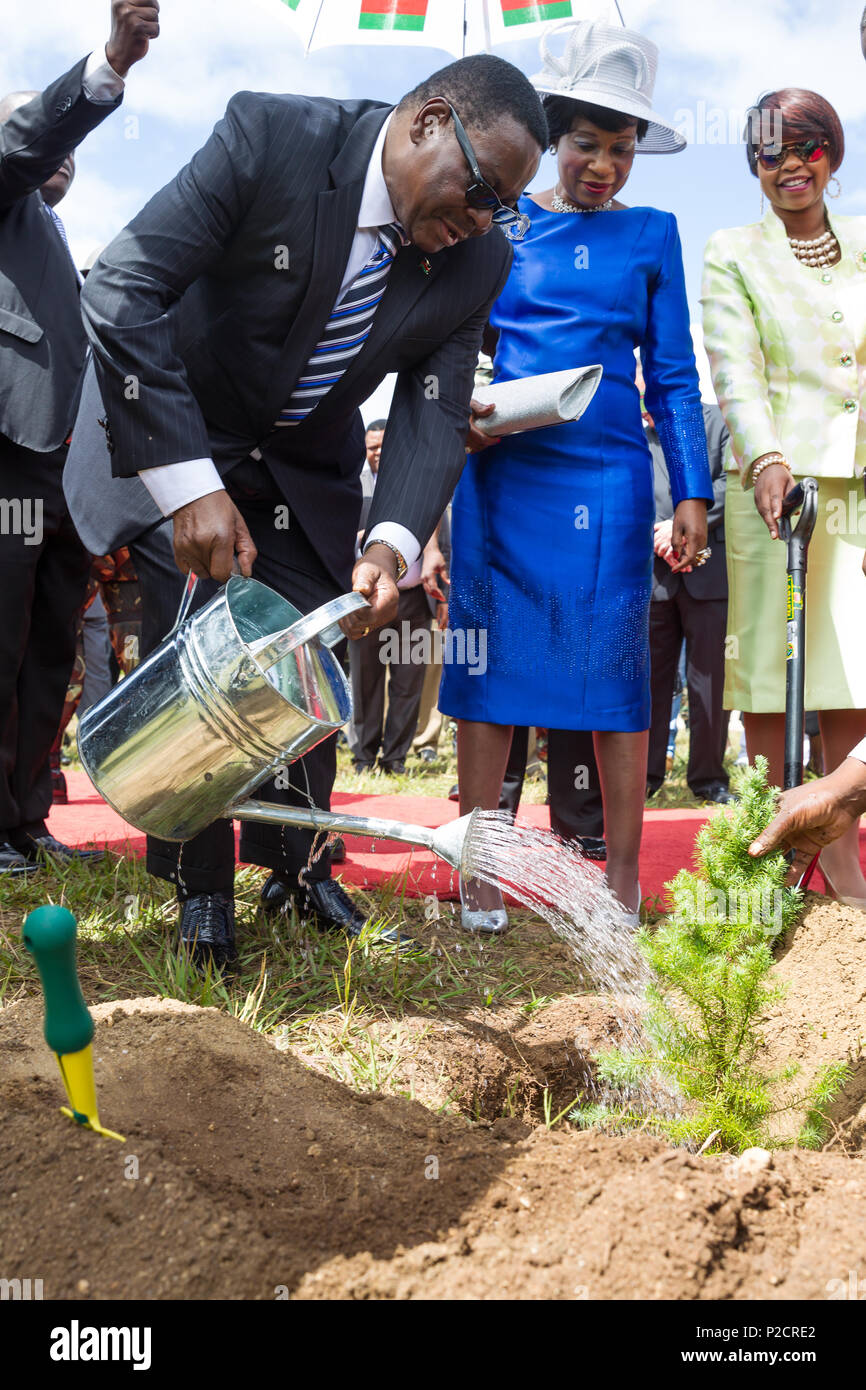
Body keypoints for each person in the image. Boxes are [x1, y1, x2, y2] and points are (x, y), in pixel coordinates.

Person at [71, 54, 545, 967]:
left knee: (307, 669)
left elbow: (433, 406)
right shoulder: (273, 138)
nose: (483, 221)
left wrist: (394, 539)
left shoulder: (477, 256)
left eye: (503, 207)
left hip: (302, 468)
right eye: (479, 189)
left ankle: (303, 864)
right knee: (204, 667)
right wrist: (190, 481)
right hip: (181, 431)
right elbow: (123, 286)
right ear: (426, 123)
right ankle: (202, 893)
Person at [438, 19, 713, 932]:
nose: (603, 165)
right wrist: (469, 405)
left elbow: (672, 377)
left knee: (612, 675)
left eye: (622, 149)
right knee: (489, 668)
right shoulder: (500, 222)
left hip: (605, 477)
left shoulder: (652, 235)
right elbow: (459, 342)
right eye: (588, 145)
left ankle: (622, 881)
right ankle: (480, 878)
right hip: (500, 473)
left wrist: (692, 493)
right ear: (554, 139)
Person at [0, 0, 158, 876]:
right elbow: (26, 142)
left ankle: (26, 820)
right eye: (37, 134)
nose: (56, 150)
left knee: (50, 644)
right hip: (7, 455)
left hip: (63, 471)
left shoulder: (58, 240)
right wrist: (109, 64)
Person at [702, 87, 866, 906]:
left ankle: (840, 856)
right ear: (753, 167)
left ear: (832, 155)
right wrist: (764, 455)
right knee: (769, 669)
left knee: (848, 669)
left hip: (860, 484)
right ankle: (771, 852)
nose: (791, 166)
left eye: (809, 148)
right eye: (771, 153)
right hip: (777, 492)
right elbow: (735, 365)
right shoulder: (732, 249)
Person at [641, 363, 733, 805]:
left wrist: (686, 528)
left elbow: (732, 485)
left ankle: (709, 778)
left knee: (709, 682)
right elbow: (623, 489)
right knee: (650, 680)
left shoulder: (716, 422)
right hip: (653, 573)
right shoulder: (636, 431)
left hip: (709, 572)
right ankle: (644, 773)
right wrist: (658, 536)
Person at [348, 419, 432, 774]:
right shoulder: (351, 486)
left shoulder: (419, 486)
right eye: (372, 446)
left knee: (408, 683)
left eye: (384, 445)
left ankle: (395, 759)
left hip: (414, 601)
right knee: (365, 682)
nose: (378, 452)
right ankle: (363, 758)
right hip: (365, 600)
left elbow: (439, 539)